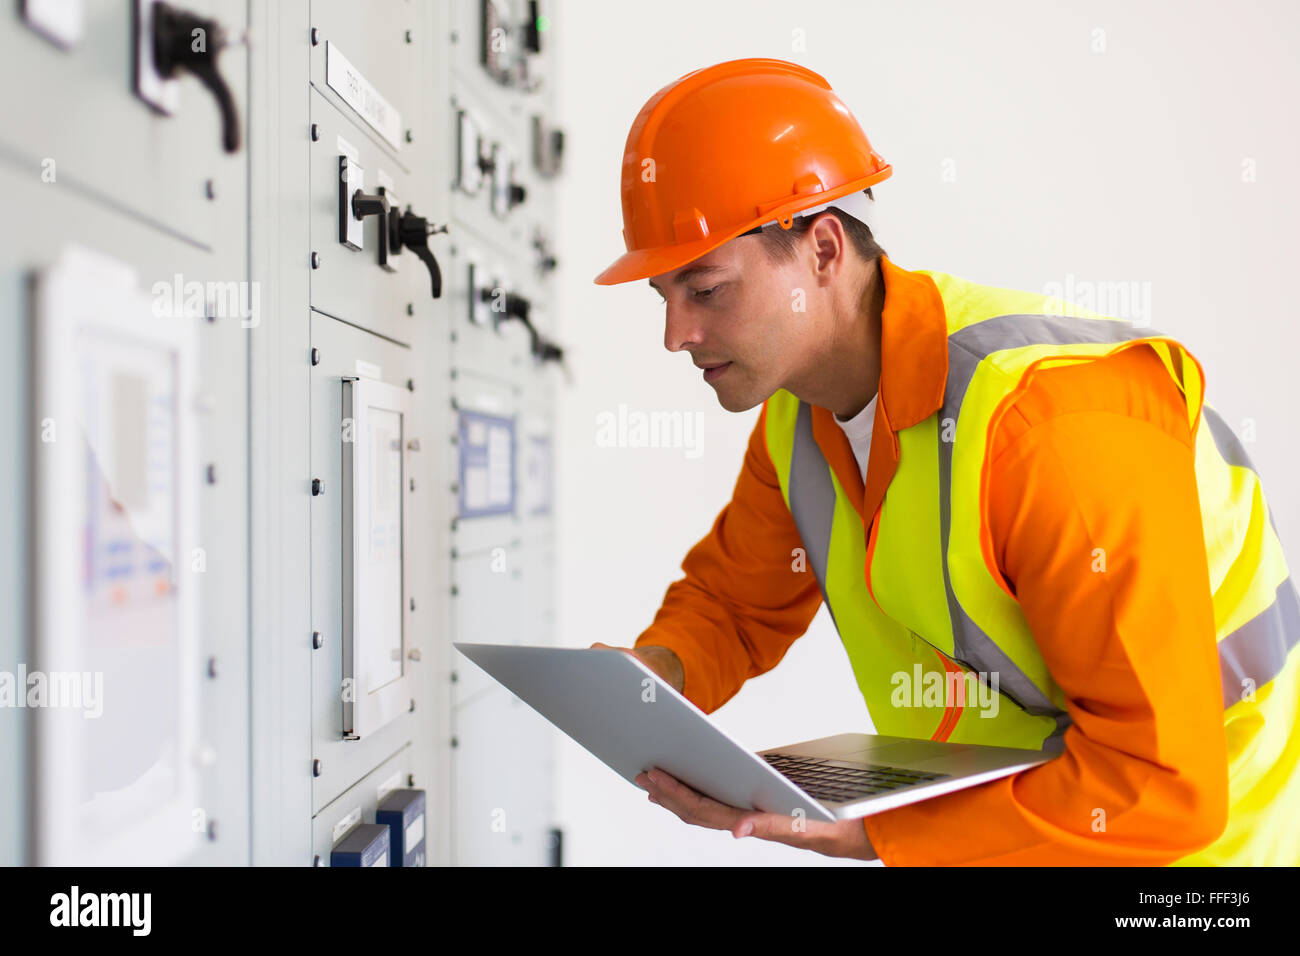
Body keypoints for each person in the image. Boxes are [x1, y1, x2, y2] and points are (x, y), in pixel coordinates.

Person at [588, 57, 1300, 866]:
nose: (676, 335)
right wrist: (655, 680)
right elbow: (735, 604)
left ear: (822, 249)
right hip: (1016, 832)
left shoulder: (1051, 425)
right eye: (664, 299)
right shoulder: (797, 420)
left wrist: (872, 834)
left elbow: (1159, 788)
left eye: (705, 290)